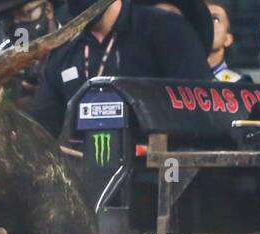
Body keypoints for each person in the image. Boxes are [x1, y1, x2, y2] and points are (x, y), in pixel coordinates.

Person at [29, 0, 212, 137]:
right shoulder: (64, 51)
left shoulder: (166, 29)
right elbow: (43, 127)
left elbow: (201, 109)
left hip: (155, 168)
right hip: (82, 170)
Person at [0, 1, 62, 111]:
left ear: (48, 10)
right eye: (8, 19)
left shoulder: (75, 45)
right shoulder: (4, 55)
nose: (17, 24)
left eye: (24, 14)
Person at [207, 1, 247, 81]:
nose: (207, 23)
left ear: (228, 39)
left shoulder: (238, 83)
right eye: (202, 19)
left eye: (215, 19)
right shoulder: (182, 78)